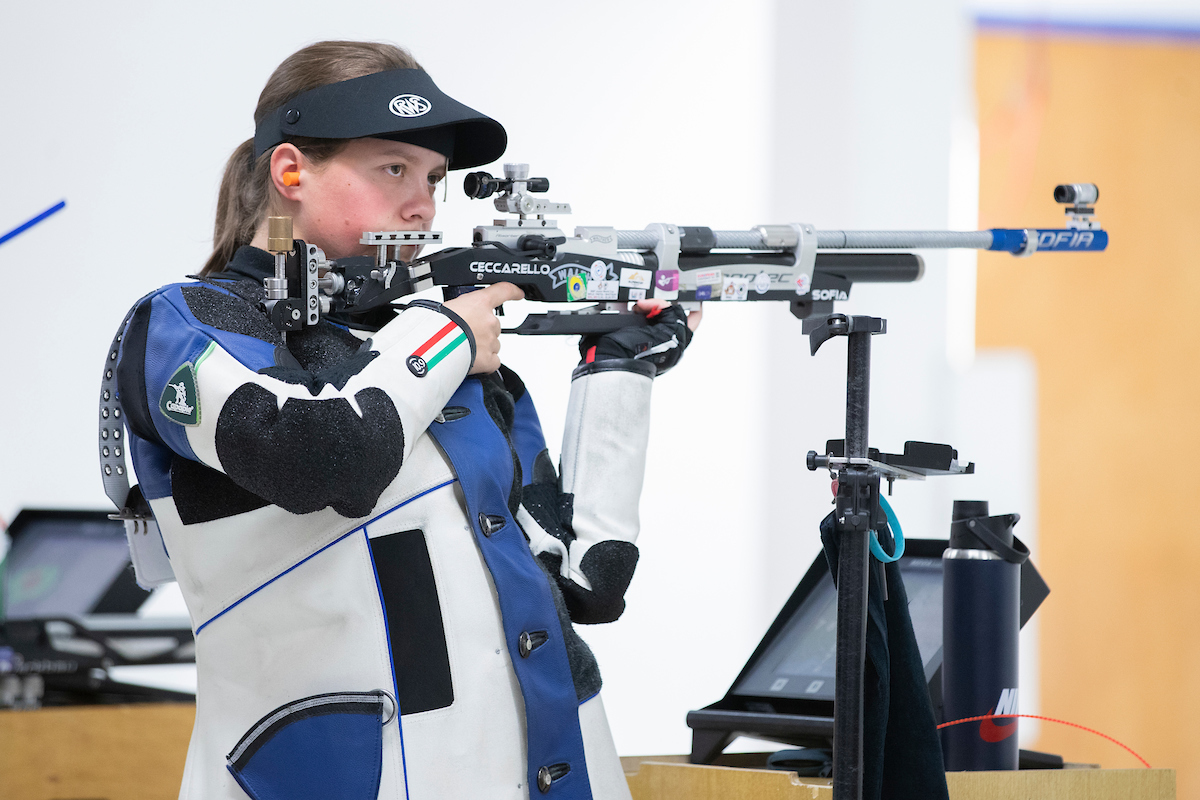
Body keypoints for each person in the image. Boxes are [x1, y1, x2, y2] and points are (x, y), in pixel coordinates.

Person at [112, 41, 699, 800]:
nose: (422, 203)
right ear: (291, 171)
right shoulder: (189, 324)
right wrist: (447, 333)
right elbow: (325, 457)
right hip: (342, 773)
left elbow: (588, 582)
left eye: (433, 179)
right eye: (393, 168)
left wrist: (619, 372)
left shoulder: (430, 353)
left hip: (552, 763)